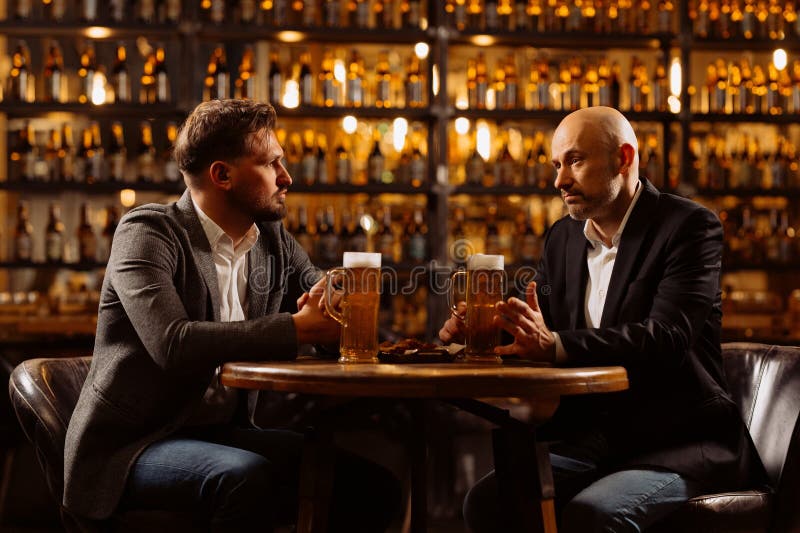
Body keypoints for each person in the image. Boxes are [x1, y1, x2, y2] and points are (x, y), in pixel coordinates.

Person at [64, 99, 400, 531]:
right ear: (222, 175)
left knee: (373, 486)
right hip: (135, 444)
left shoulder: (270, 238)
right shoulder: (148, 232)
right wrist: (296, 327)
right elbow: (172, 343)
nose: (287, 177)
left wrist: (336, 302)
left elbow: (319, 294)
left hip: (221, 432)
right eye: (271, 164)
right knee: (247, 479)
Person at [440, 106, 764, 532]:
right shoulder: (562, 239)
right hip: (597, 441)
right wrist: (482, 334)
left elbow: (667, 337)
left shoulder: (687, 226)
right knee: (488, 502)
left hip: (680, 441)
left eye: (574, 161)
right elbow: (540, 328)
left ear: (623, 159)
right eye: (557, 165)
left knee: (593, 516)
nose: (559, 181)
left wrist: (553, 344)